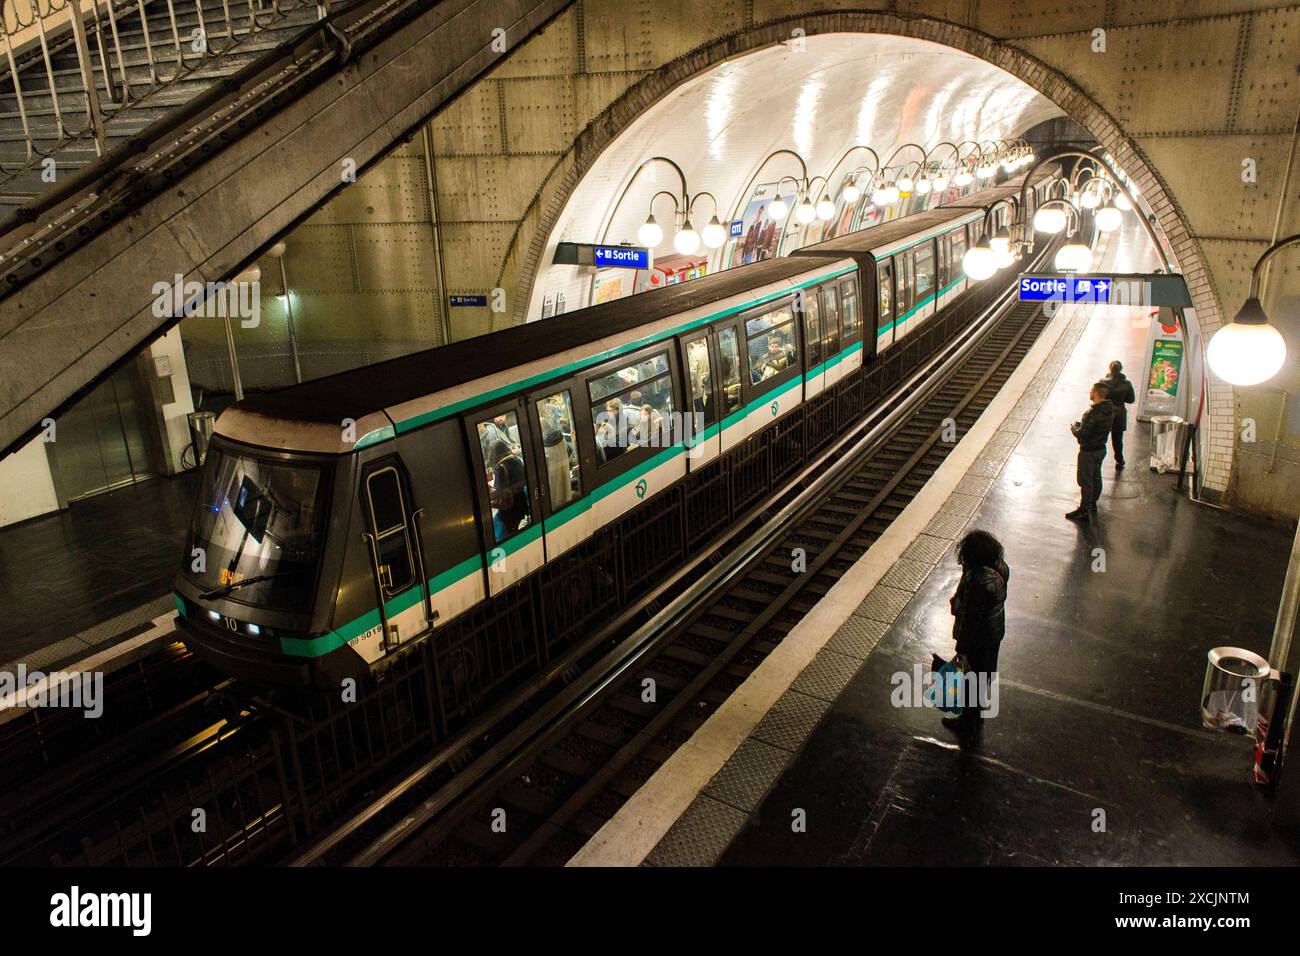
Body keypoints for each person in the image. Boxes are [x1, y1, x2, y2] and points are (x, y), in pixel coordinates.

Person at [941, 530, 1010, 733]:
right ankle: (976, 714)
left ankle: (969, 721)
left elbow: (972, 619)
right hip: (994, 631)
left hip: (979, 638)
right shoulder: (1000, 567)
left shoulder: (979, 581)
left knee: (972, 678)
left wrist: (962, 648)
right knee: (983, 675)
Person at [1066, 381, 1115, 522]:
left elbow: (1082, 434)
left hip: (1088, 451)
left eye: (1091, 391)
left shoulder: (1092, 413)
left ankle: (1084, 510)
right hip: (1100, 449)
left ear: (1096, 393)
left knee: (1085, 481)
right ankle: (1092, 503)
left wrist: (1073, 428)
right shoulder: (1109, 409)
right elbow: (1095, 427)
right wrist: (1083, 425)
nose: (1090, 393)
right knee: (1096, 476)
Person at [487, 440, 528, 539]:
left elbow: (498, 492)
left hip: (510, 507)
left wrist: (490, 489)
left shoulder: (500, 467)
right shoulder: (517, 460)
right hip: (521, 501)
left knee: (503, 532)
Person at [1103, 360, 1136, 468]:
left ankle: (1099, 458)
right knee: (1117, 440)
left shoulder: (1103, 382)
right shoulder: (1127, 384)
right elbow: (1131, 400)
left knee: (1101, 436)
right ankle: (1119, 461)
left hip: (1104, 413)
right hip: (1119, 415)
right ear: (1121, 369)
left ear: (1110, 369)